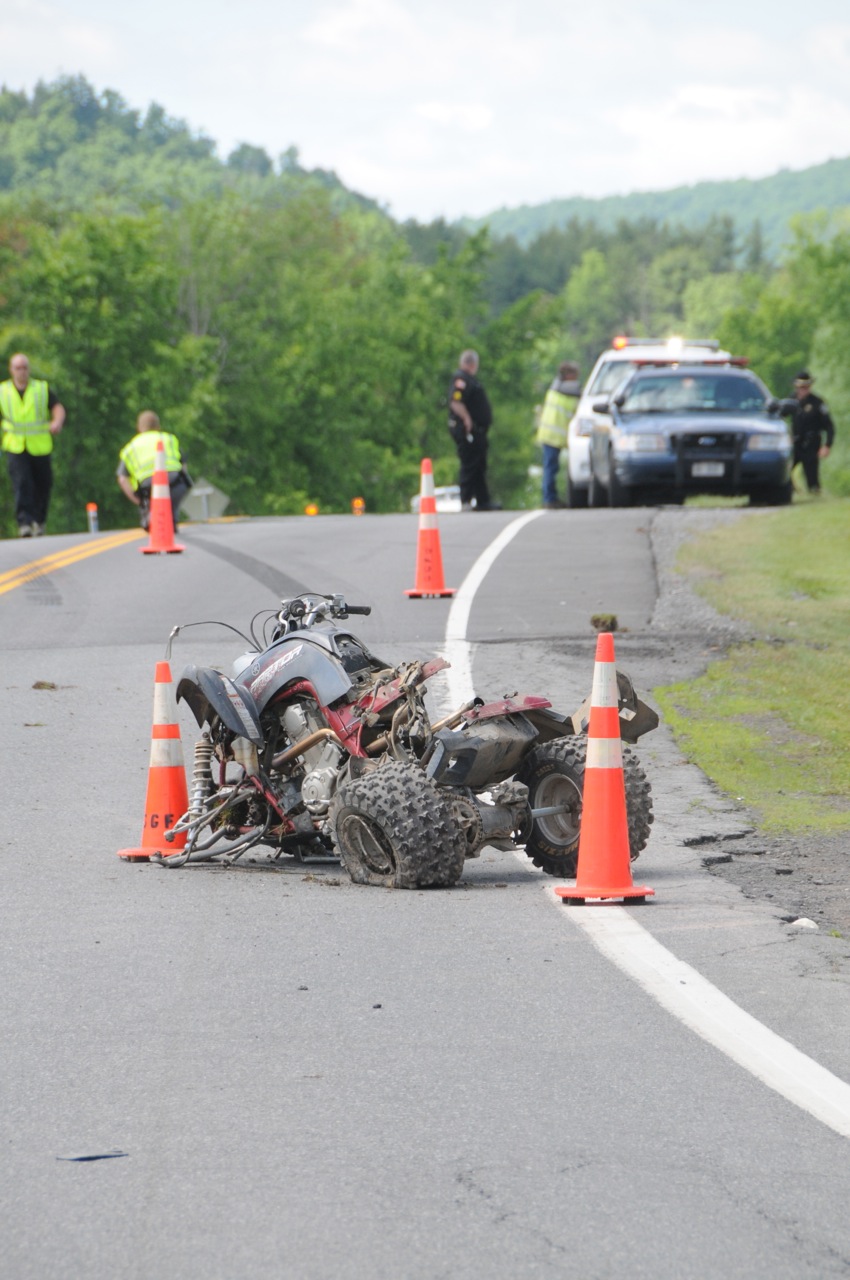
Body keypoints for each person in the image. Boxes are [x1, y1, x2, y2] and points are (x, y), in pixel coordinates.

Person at [0, 353, 66, 537]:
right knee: (22, 483)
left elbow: (57, 407)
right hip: (15, 445)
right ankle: (25, 523)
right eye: (17, 368)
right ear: (11, 370)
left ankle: (39, 521)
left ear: (29, 369)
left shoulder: (41, 389)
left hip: (40, 445)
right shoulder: (3, 391)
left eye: (24, 368)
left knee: (43, 484)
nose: (21, 372)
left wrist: (57, 422)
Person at [117, 411, 190, 530]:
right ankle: (172, 519)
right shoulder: (169, 439)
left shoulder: (131, 447)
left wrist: (138, 501)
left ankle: (150, 517)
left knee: (150, 519)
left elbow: (122, 479)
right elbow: (184, 465)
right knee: (172, 501)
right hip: (174, 483)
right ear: (158, 426)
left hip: (148, 487)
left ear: (139, 428)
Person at [447, 349, 500, 511]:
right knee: (470, 464)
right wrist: (467, 419)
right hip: (467, 429)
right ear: (472, 364)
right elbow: (456, 402)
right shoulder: (461, 379)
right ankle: (466, 500)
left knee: (479, 465)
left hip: (478, 431)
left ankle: (483, 500)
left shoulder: (470, 380)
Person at [535, 361, 580, 508]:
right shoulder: (570, 394)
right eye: (575, 374)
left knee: (550, 468)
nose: (577, 378)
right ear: (568, 375)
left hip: (549, 435)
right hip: (554, 436)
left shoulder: (554, 389)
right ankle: (549, 499)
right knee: (551, 468)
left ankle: (550, 498)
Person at [784, 371, 835, 494]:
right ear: (796, 387)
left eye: (806, 387)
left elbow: (829, 426)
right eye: (801, 387)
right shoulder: (791, 401)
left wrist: (827, 445)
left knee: (812, 482)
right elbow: (780, 418)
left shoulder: (817, 403)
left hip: (811, 445)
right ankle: (791, 490)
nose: (803, 390)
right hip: (795, 444)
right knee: (783, 472)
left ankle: (814, 496)